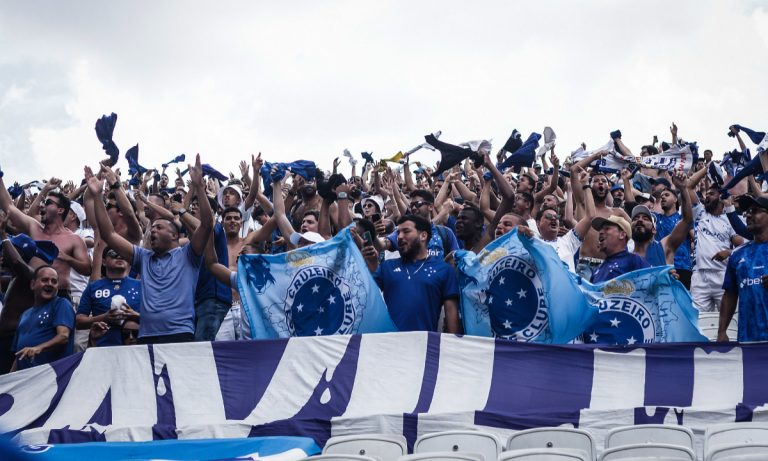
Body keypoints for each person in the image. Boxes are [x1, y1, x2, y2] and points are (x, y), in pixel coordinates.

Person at [86, 154, 214, 344]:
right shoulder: (144, 257)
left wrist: (200, 188)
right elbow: (109, 236)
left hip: (180, 334)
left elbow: (207, 225)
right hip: (146, 335)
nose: (152, 230)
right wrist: (97, 196)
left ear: (174, 236)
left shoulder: (189, 255)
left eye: (159, 227)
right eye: (151, 228)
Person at [365, 215, 460, 333]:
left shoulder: (444, 270)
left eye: (406, 231)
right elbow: (365, 293)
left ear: (423, 236)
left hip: (425, 346)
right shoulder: (387, 267)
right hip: (389, 345)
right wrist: (371, 262)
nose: (399, 236)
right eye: (398, 232)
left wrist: (451, 348)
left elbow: (451, 315)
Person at [0, 175, 91, 298]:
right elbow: (9, 207)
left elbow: (87, 269)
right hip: (29, 295)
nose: (42, 205)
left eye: (48, 203)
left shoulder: (74, 239)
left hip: (59, 297)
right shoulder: (34, 227)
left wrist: (67, 258)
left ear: (60, 210)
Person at [687, 164, 746, 312]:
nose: (707, 196)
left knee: (729, 321)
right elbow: (688, 187)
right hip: (699, 276)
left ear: (721, 197)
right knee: (699, 324)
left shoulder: (731, 219)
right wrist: (707, 168)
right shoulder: (700, 213)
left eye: (711, 194)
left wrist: (729, 252)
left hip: (723, 274)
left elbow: (744, 244)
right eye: (706, 193)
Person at [718, 195, 768, 342]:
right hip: (747, 340)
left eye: (756, 210)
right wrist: (722, 331)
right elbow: (730, 294)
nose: (748, 215)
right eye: (747, 211)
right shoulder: (737, 254)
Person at [11, 265, 75, 371]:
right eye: (45, 280)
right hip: (25, 379)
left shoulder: (61, 304)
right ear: (33, 284)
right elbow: (18, 355)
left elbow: (63, 336)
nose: (49, 284)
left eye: (54, 281)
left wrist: (38, 348)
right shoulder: (24, 314)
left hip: (50, 378)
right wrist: (10, 380)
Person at [76, 246, 141, 347]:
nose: (119, 256)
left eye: (123, 255)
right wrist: (103, 318)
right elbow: (79, 321)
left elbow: (157, 319)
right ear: (104, 262)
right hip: (103, 347)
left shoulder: (141, 286)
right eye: (113, 254)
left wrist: (135, 315)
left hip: (135, 346)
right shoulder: (93, 287)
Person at [590, 215, 650, 283]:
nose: (600, 232)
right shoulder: (597, 269)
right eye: (601, 229)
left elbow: (652, 282)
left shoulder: (634, 260)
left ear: (622, 235)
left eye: (607, 228)